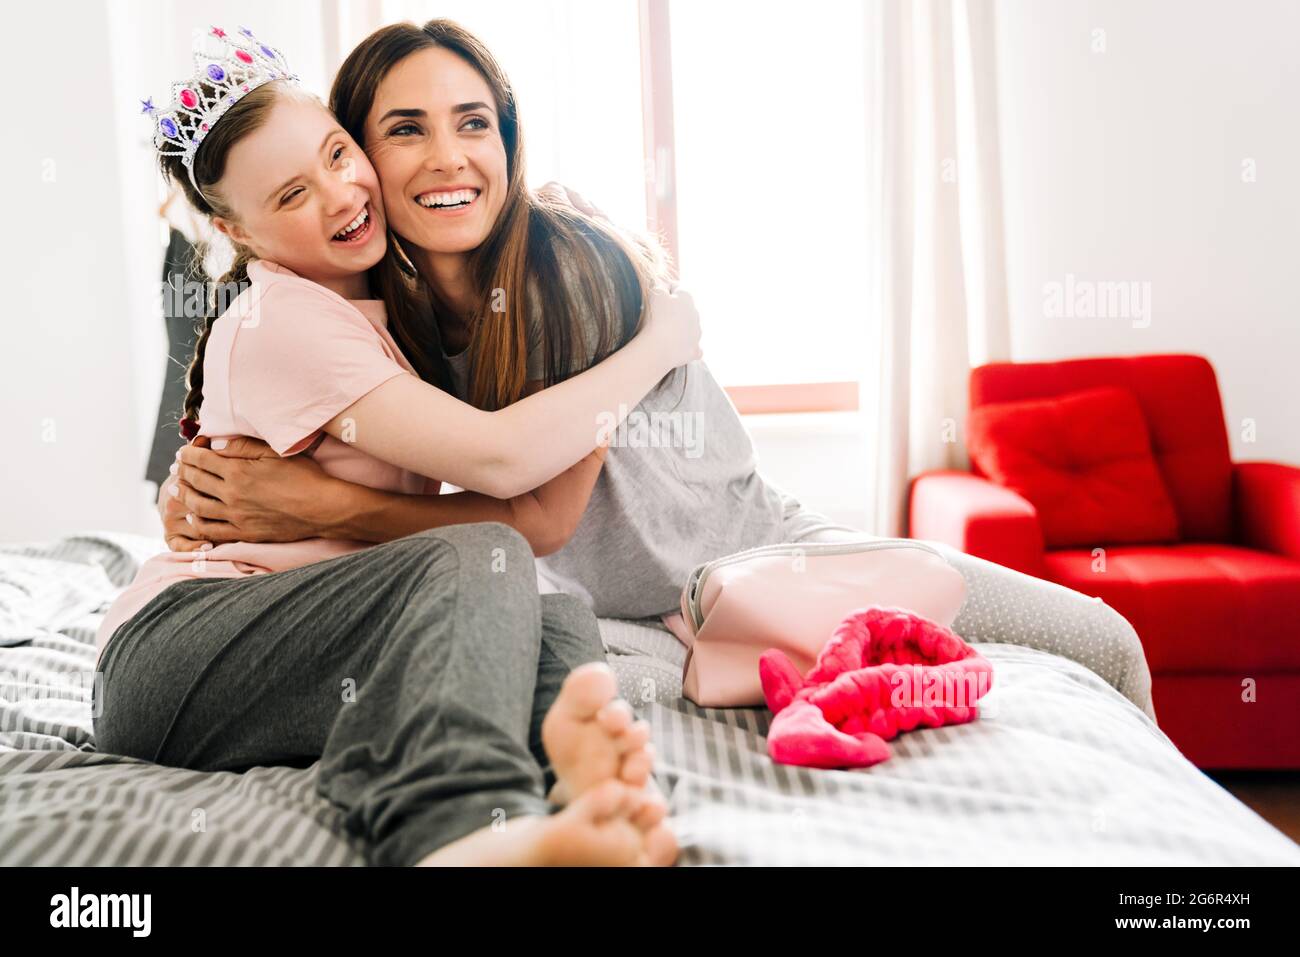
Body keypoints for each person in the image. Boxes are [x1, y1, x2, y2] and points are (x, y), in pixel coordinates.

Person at [166, 19, 1156, 722]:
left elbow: (537, 509)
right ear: (361, 155)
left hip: (752, 553)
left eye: (473, 123)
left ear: (507, 137)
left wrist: (320, 508)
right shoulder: (374, 299)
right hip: (618, 611)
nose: (446, 157)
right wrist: (200, 484)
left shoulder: (569, 261)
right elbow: (269, 370)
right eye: (403, 130)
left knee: (1098, 638)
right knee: (588, 691)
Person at [96, 24, 704, 867]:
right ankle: (452, 826)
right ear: (242, 237)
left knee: (548, 610)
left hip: (294, 639)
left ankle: (580, 801)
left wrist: (325, 506)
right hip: (175, 648)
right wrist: (659, 346)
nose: (342, 194)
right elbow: (500, 466)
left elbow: (527, 515)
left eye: (339, 156)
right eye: (291, 196)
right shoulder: (289, 319)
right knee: (478, 554)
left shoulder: (386, 304)